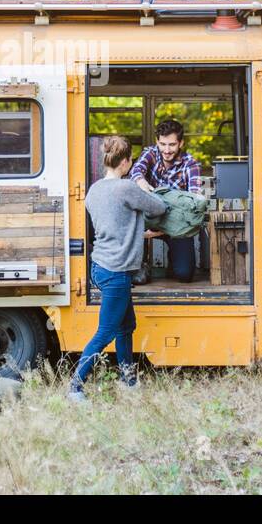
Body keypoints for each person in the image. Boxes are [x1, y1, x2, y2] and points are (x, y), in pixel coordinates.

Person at [69, 135, 167, 402]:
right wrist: (146, 190)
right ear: (125, 162)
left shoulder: (93, 190)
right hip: (116, 271)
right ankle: (75, 387)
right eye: (131, 160)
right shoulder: (126, 188)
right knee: (107, 331)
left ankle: (129, 380)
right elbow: (159, 207)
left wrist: (139, 232)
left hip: (100, 266)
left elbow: (116, 224)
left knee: (126, 327)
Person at [130, 119, 204, 282]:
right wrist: (141, 182)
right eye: (163, 144)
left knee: (184, 275)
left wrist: (159, 232)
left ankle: (175, 263)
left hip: (178, 224)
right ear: (157, 141)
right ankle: (139, 265)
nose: (167, 150)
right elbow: (136, 171)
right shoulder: (150, 153)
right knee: (135, 275)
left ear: (181, 143)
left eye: (172, 145)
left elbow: (195, 207)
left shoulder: (191, 164)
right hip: (148, 219)